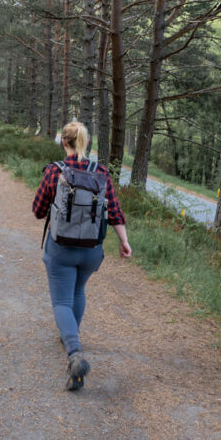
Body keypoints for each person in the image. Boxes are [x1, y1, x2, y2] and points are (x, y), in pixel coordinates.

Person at [32, 120, 131, 391]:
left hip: (61, 249)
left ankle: (75, 354)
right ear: (86, 143)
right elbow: (114, 212)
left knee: (62, 300)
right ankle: (71, 334)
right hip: (91, 251)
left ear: (64, 142)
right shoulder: (100, 172)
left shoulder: (55, 172)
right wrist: (124, 241)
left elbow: (38, 210)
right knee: (78, 292)